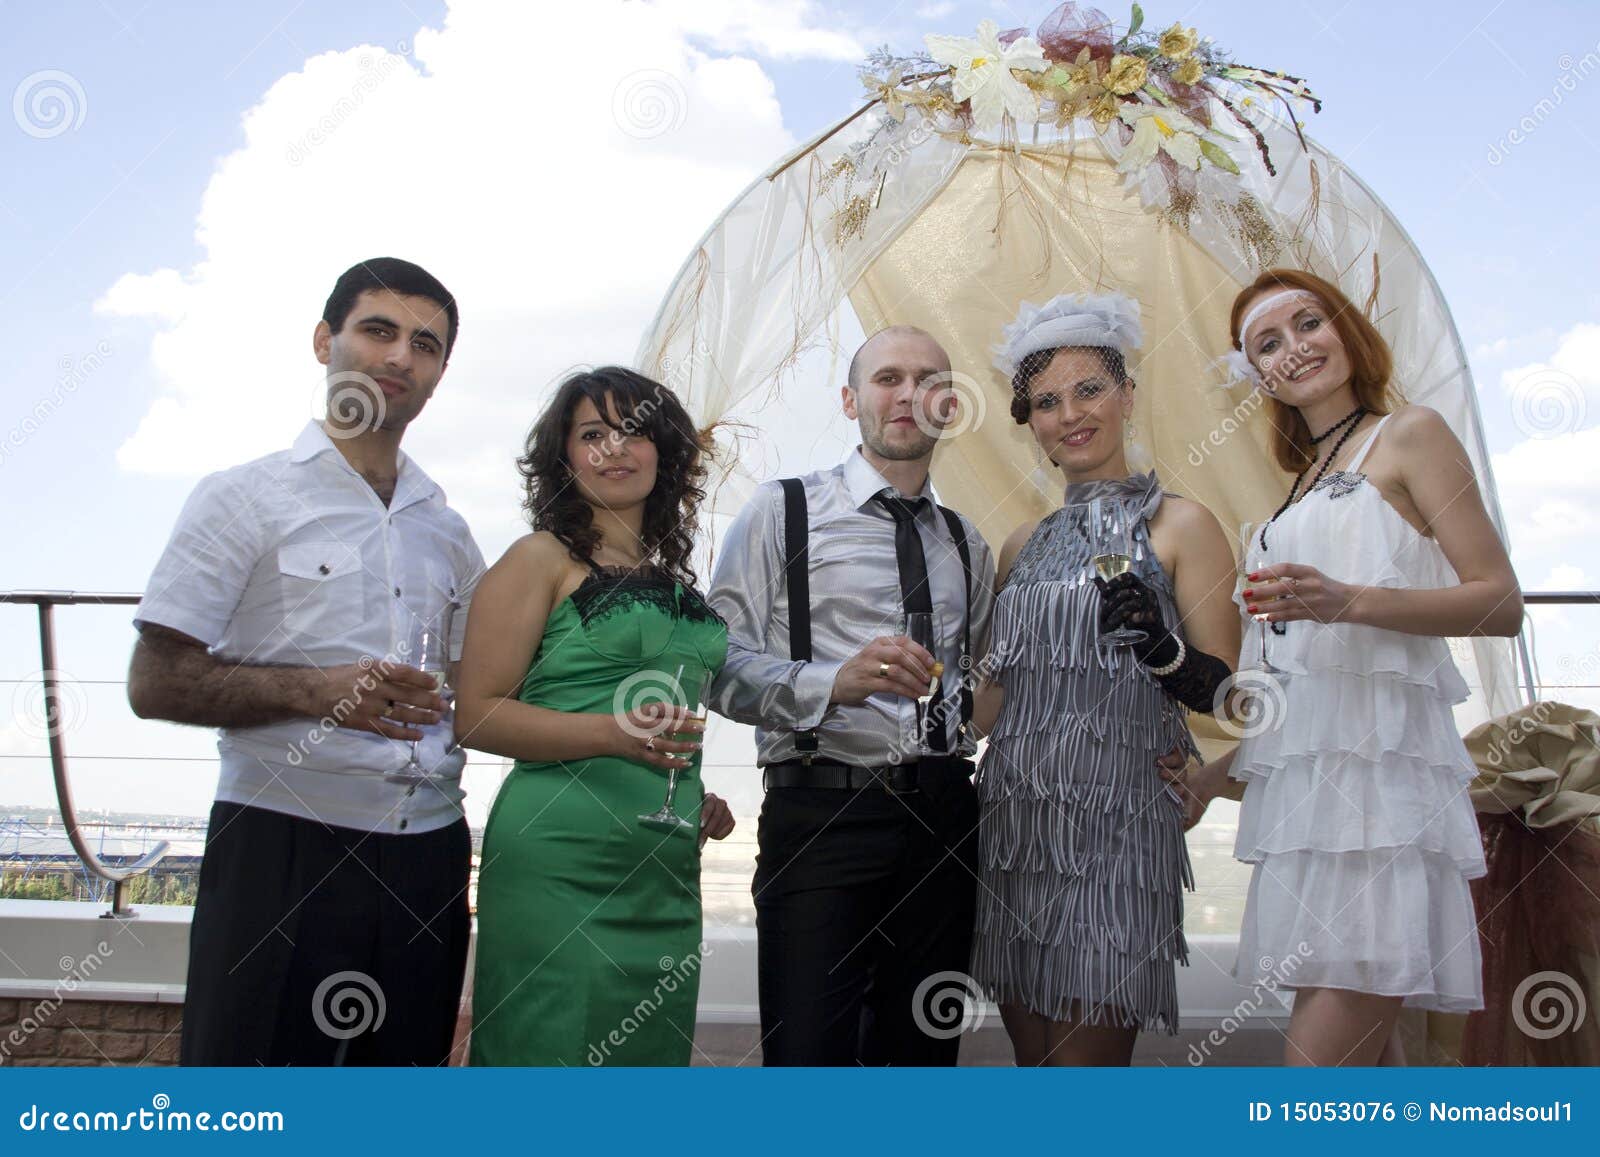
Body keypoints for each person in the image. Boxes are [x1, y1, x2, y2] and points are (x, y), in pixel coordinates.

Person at [128, 257, 483, 1065]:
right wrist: (320, 690)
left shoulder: (450, 530)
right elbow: (153, 681)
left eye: (425, 344)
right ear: (326, 341)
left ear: (439, 374)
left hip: (428, 854)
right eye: (379, 331)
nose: (400, 358)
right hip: (281, 846)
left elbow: (491, 695)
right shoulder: (243, 496)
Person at [1180, 268, 1522, 1066]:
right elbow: (1311, 700)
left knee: (1314, 1084)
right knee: (1359, 1078)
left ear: (1346, 330)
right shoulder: (1296, 490)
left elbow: (1499, 601)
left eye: (1308, 324)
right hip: (1313, 825)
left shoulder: (1410, 434)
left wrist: (1349, 601)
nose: (1294, 349)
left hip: (1382, 817)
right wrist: (1212, 776)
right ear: (1256, 373)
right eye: (1269, 343)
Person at [707, 325, 997, 1066]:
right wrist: (829, 683)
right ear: (850, 398)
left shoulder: (969, 544)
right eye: (887, 377)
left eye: (930, 379)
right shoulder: (781, 511)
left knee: (921, 1059)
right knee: (809, 1058)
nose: (908, 394)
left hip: (942, 817)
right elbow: (716, 667)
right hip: (822, 813)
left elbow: (982, 690)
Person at [968, 292, 1241, 1066]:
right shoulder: (1021, 542)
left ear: (1127, 394)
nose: (1069, 414)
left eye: (1089, 389)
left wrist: (1164, 651)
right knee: (1037, 1073)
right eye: (1047, 401)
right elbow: (989, 702)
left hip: (1121, 826)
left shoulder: (1184, 525)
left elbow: (1226, 692)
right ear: (1032, 423)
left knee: (1084, 1081)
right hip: (1016, 826)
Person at [454, 366, 735, 1066]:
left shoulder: (674, 584)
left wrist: (698, 795)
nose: (614, 448)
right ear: (565, 456)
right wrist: (611, 736)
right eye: (592, 434)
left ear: (665, 453)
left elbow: (670, 726)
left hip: (662, 868)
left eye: (634, 431)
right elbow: (477, 716)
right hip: (557, 862)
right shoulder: (537, 559)